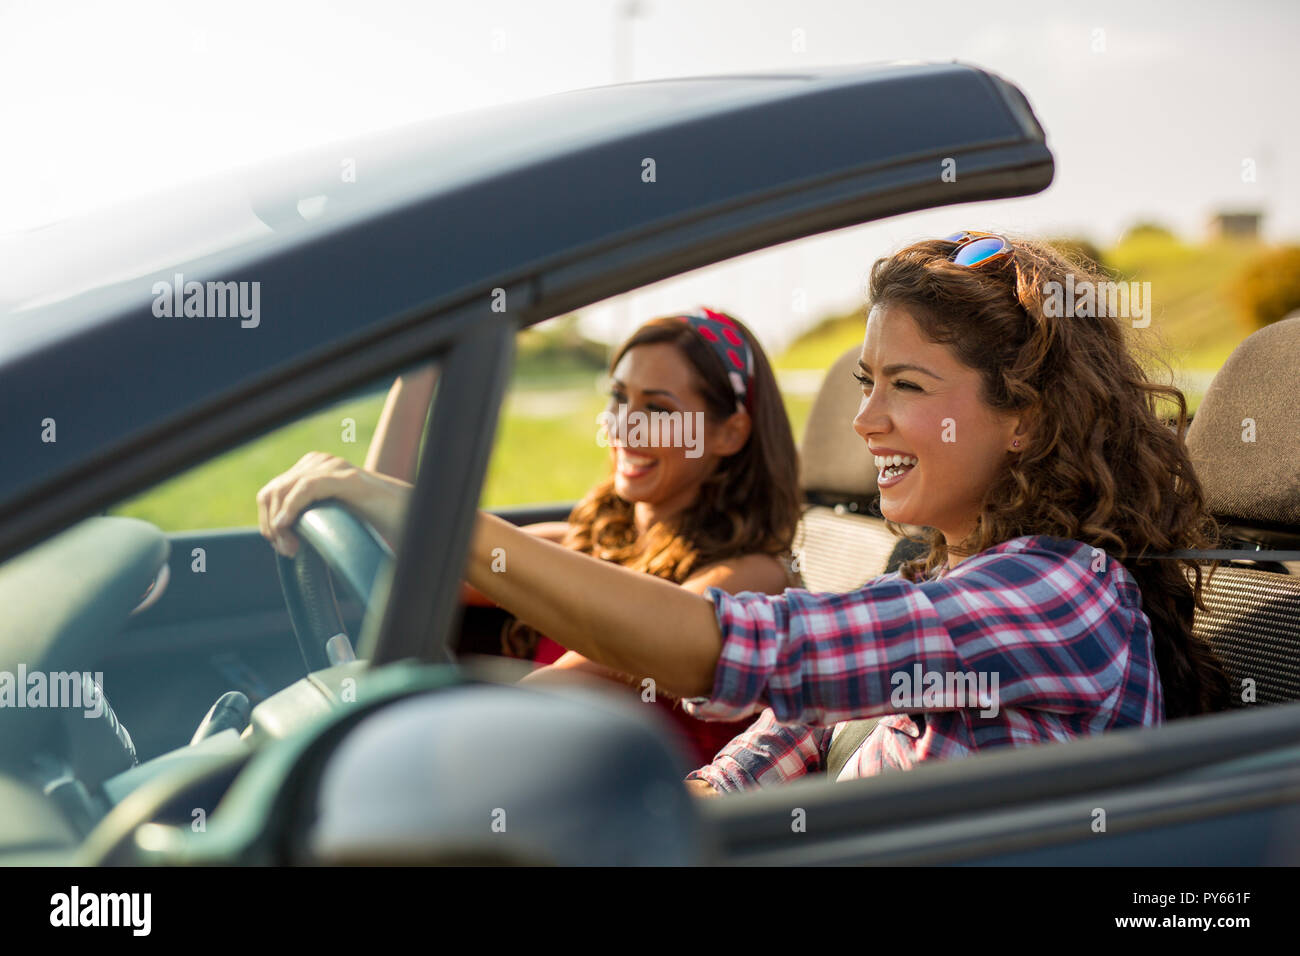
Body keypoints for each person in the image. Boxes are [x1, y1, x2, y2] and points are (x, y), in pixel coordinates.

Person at [258, 233, 1233, 797]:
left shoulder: (1053, 592)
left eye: (903, 383)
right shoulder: (937, 581)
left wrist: (429, 513)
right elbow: (784, 728)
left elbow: (726, 648)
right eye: (863, 381)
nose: (862, 418)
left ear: (1023, 418)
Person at [259, 309, 803, 766]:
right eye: (619, 398)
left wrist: (403, 739)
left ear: (730, 432)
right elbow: (404, 556)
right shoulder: (580, 540)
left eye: (658, 409)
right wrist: (421, 368)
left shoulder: (751, 576)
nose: (624, 426)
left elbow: (560, 688)